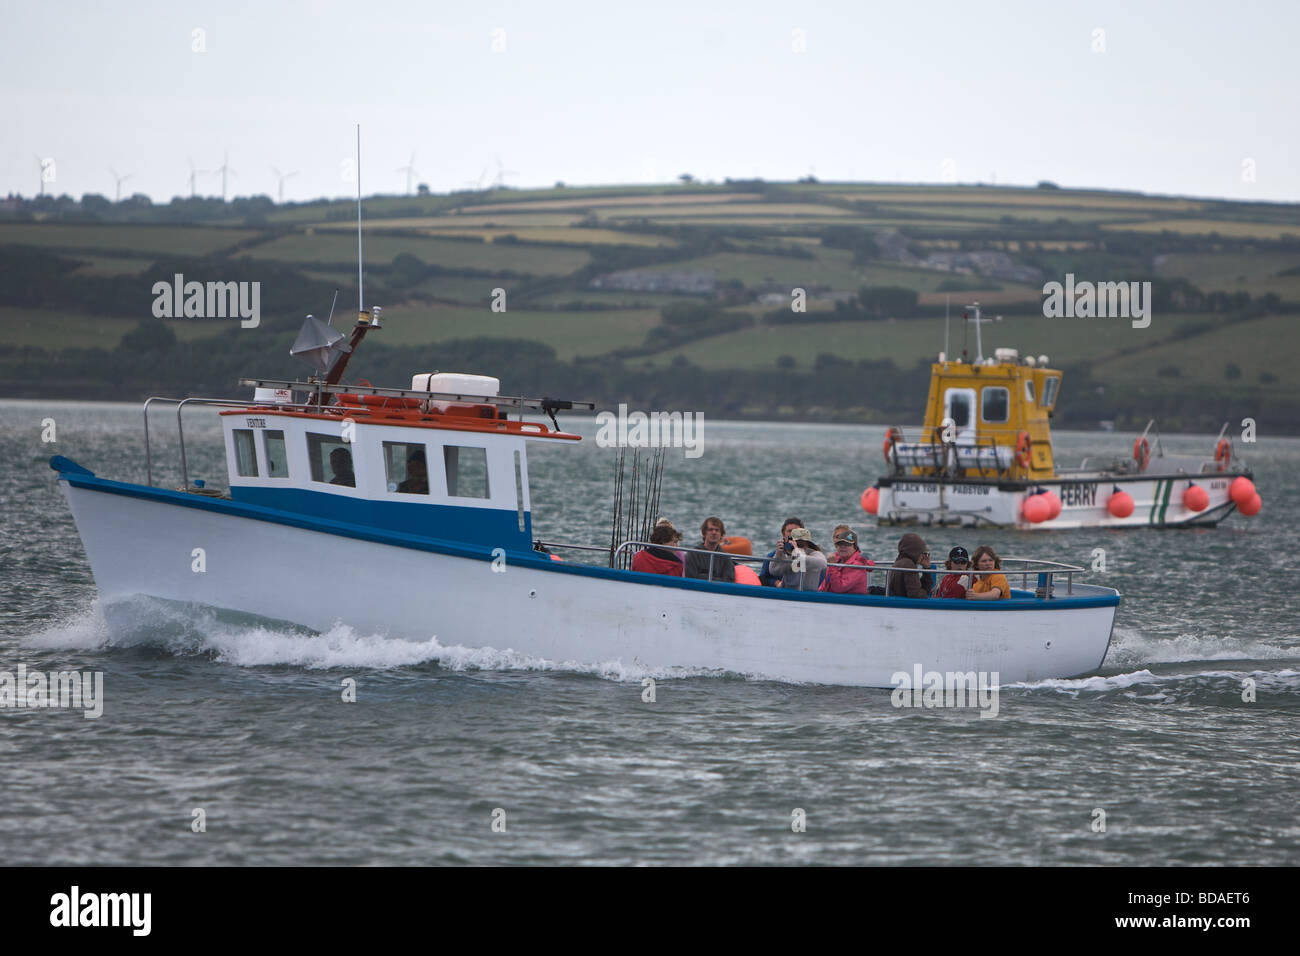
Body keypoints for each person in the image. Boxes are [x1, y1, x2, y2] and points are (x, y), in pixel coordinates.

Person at [683, 516, 736, 582]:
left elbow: (729, 582)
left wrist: (702, 576)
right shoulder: (693, 554)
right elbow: (690, 579)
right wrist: (717, 579)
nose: (714, 532)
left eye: (717, 530)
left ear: (721, 534)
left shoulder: (726, 558)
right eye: (710, 530)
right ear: (704, 533)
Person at [820, 529, 872, 595]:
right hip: (833, 600)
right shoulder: (837, 560)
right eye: (839, 544)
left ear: (855, 547)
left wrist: (833, 566)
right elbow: (824, 586)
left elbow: (839, 588)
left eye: (847, 544)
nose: (842, 547)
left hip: (851, 602)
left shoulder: (857, 565)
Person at [760, 517, 804, 586]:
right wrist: (776, 583)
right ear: (783, 534)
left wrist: (797, 551)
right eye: (789, 531)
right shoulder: (771, 556)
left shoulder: (810, 555)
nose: (792, 534)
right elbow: (762, 578)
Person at [886, 532, 933, 598]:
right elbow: (915, 594)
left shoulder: (899, 561)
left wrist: (926, 568)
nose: (923, 556)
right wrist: (925, 594)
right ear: (915, 552)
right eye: (922, 552)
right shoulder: (909, 565)